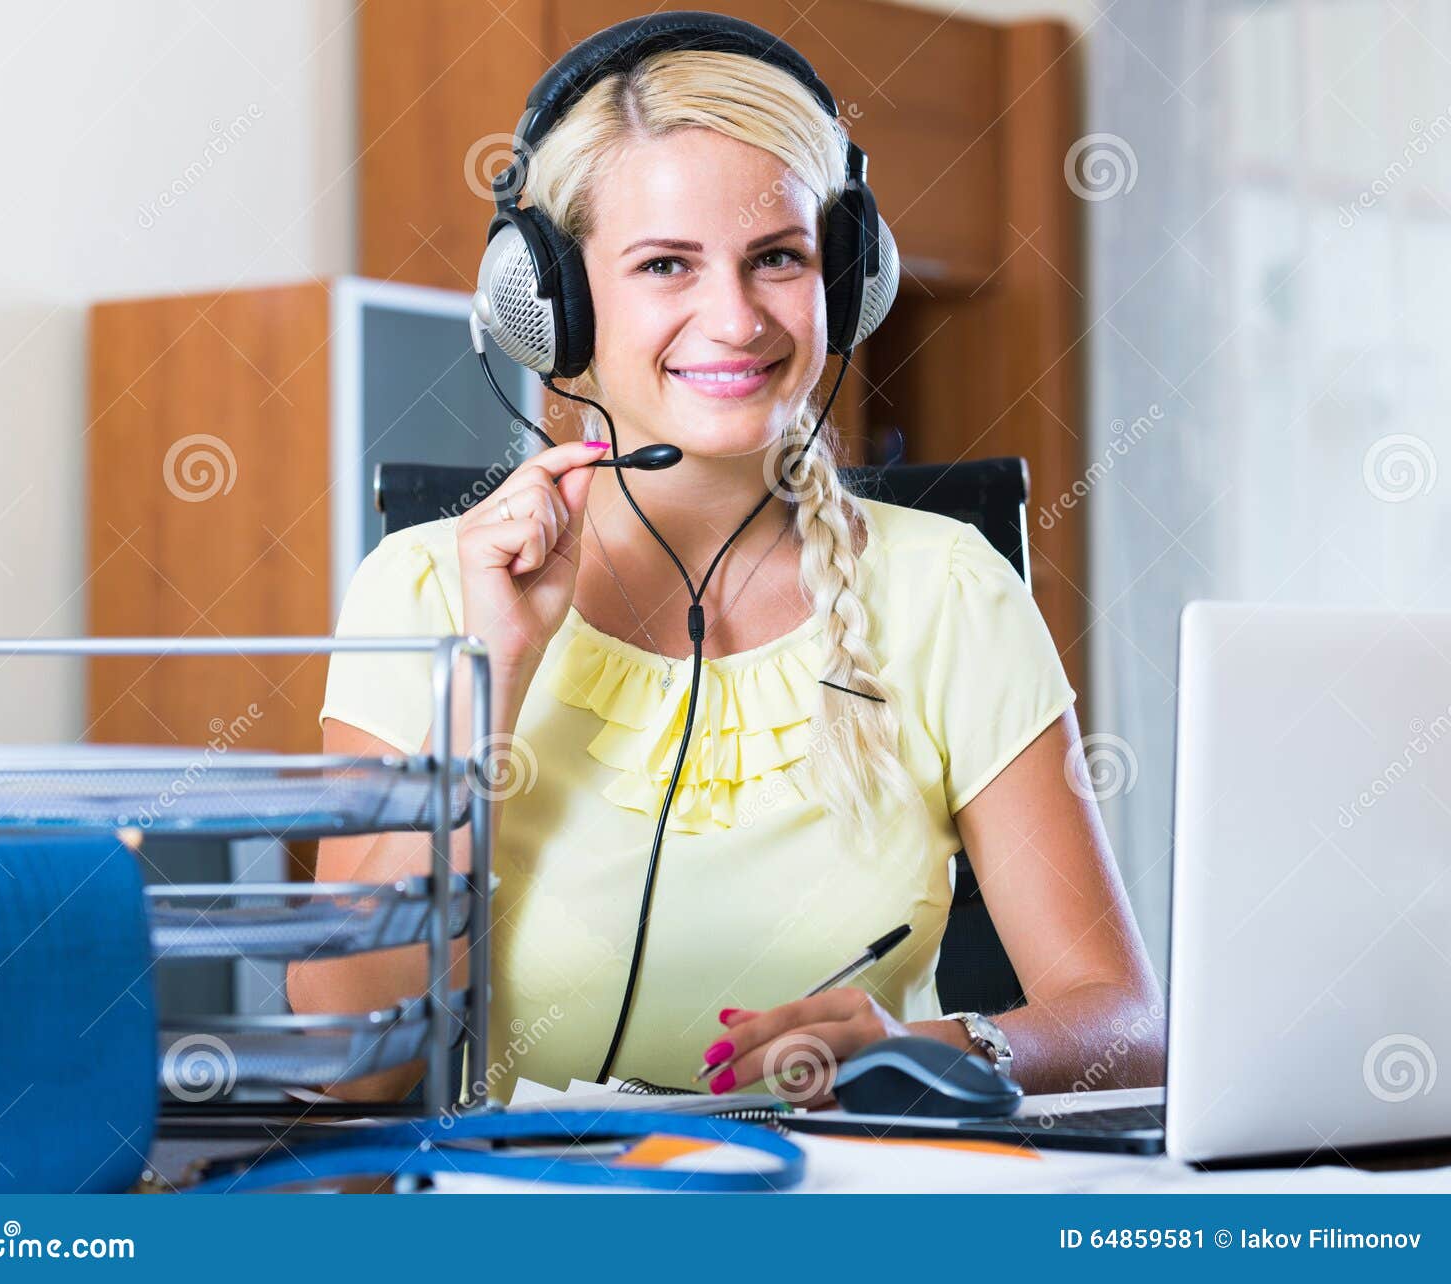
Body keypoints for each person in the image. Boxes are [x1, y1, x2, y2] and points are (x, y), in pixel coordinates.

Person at [291, 36, 1163, 1106]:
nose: (738, 318)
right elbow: (354, 1062)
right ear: (553, 300)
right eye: (665, 264)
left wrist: (938, 1044)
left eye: (779, 257)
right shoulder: (423, 591)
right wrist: (490, 677)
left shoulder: (950, 590)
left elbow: (1124, 1022)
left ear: (842, 279)